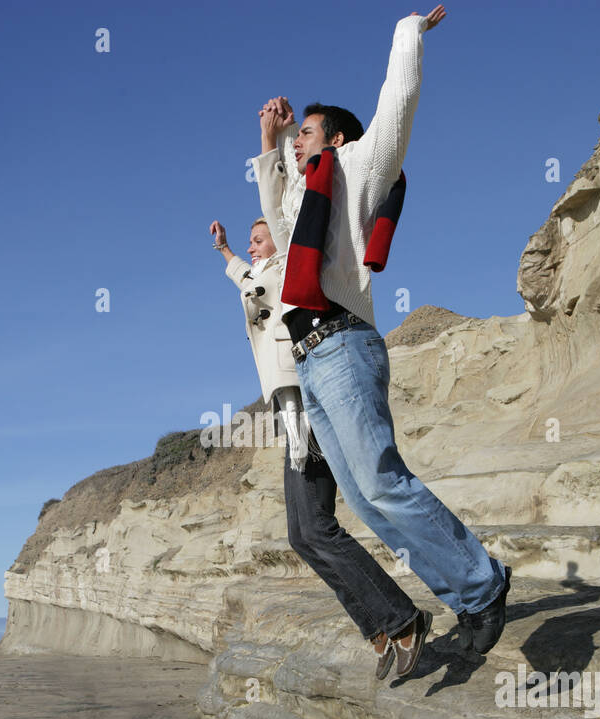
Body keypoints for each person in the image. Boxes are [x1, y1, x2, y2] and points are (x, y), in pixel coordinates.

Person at [249, 5, 511, 678]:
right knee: (364, 499)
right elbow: (278, 227)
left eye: (305, 132)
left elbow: (396, 104)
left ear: (333, 137)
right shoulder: (308, 190)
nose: (296, 140)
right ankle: (465, 595)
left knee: (382, 484)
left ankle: (483, 588)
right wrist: (268, 141)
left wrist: (408, 31)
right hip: (310, 361)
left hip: (343, 346)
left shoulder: (357, 167)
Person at [209, 215, 431, 679]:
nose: (252, 247)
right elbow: (246, 278)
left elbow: (262, 282)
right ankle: (377, 627)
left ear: (280, 238)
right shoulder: (256, 273)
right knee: (302, 533)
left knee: (318, 527)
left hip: (310, 403)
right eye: (250, 241)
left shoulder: (285, 268)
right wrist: (226, 252)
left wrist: (272, 150)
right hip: (290, 413)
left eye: (258, 238)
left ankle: (403, 618)